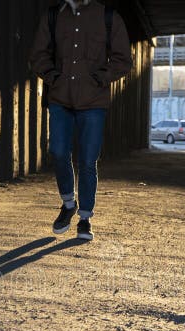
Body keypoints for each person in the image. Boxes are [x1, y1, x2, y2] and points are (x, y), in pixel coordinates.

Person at [29, 0, 132, 241]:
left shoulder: (108, 16)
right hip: (60, 98)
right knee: (58, 151)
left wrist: (100, 79)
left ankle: (85, 218)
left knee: (87, 160)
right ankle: (68, 204)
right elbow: (38, 54)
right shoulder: (53, 16)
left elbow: (123, 59)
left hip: (93, 101)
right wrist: (52, 76)